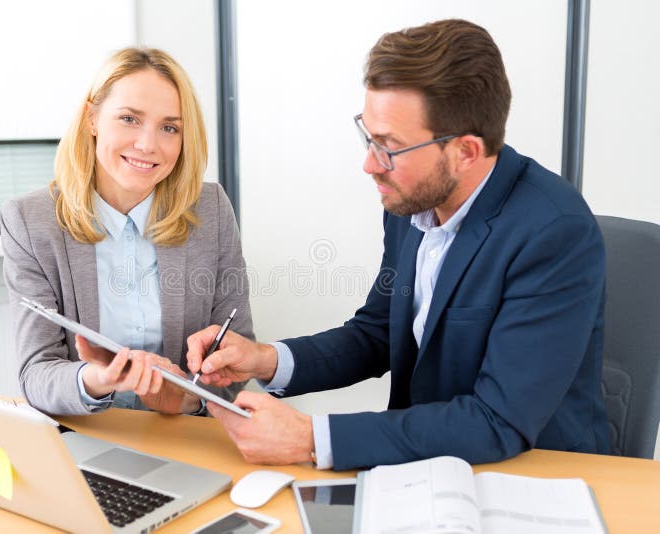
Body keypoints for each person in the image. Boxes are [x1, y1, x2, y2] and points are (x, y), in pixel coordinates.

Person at [187, 19, 609, 470]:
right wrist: (264, 360)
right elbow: (378, 333)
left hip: (536, 474)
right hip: (424, 466)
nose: (369, 164)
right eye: (368, 136)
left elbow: (497, 420)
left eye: (388, 145)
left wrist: (312, 439)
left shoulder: (554, 233)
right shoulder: (410, 203)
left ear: (465, 151)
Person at [1, 47, 253, 416]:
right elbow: (37, 372)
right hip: (88, 437)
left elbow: (237, 355)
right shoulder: (29, 220)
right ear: (92, 118)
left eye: (169, 127)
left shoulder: (210, 208)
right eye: (130, 119)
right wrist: (99, 380)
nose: (148, 144)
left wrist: (183, 398)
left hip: (180, 437)